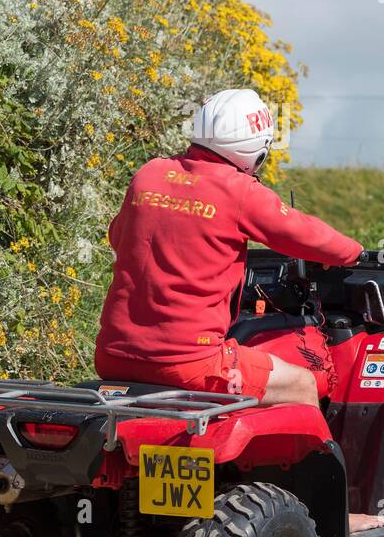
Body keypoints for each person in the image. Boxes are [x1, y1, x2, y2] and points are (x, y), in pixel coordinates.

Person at [94, 87, 363, 408]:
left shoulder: (148, 174)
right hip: (191, 364)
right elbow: (303, 233)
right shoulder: (239, 190)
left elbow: (118, 236)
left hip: (112, 357)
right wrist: (352, 253)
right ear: (258, 151)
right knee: (303, 384)